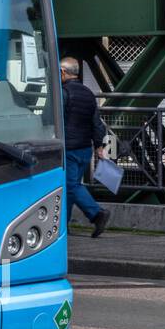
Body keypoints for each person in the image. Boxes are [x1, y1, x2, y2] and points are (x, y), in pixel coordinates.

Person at [60, 57, 112, 237]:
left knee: (70, 186)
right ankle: (62, 227)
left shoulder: (63, 93)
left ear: (64, 72)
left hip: (69, 148)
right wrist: (99, 146)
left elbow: (52, 119)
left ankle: (97, 214)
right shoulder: (88, 94)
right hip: (85, 149)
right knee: (69, 188)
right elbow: (97, 124)